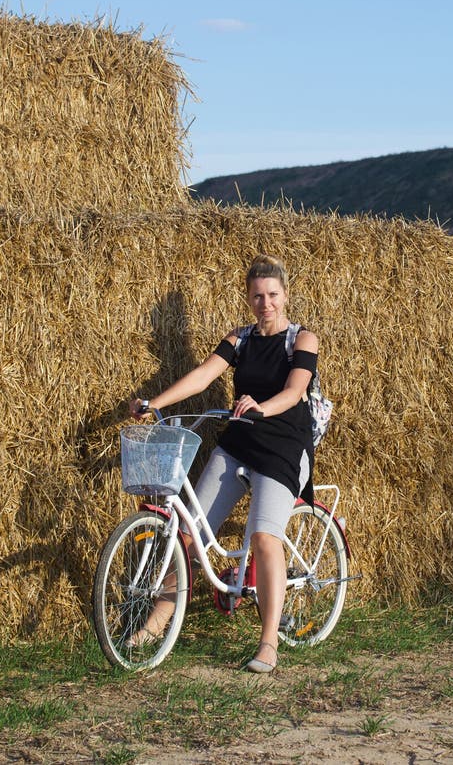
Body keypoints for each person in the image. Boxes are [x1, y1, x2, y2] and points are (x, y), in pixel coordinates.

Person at [128, 253, 319, 673]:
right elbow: (204, 374)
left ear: (285, 296)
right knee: (189, 538)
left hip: (283, 448)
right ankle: (153, 627)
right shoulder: (240, 339)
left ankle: (268, 643)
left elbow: (294, 391)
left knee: (266, 537)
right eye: (257, 296)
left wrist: (261, 409)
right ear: (248, 299)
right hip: (239, 443)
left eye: (272, 295)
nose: (265, 303)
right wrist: (153, 403)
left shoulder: (302, 340)